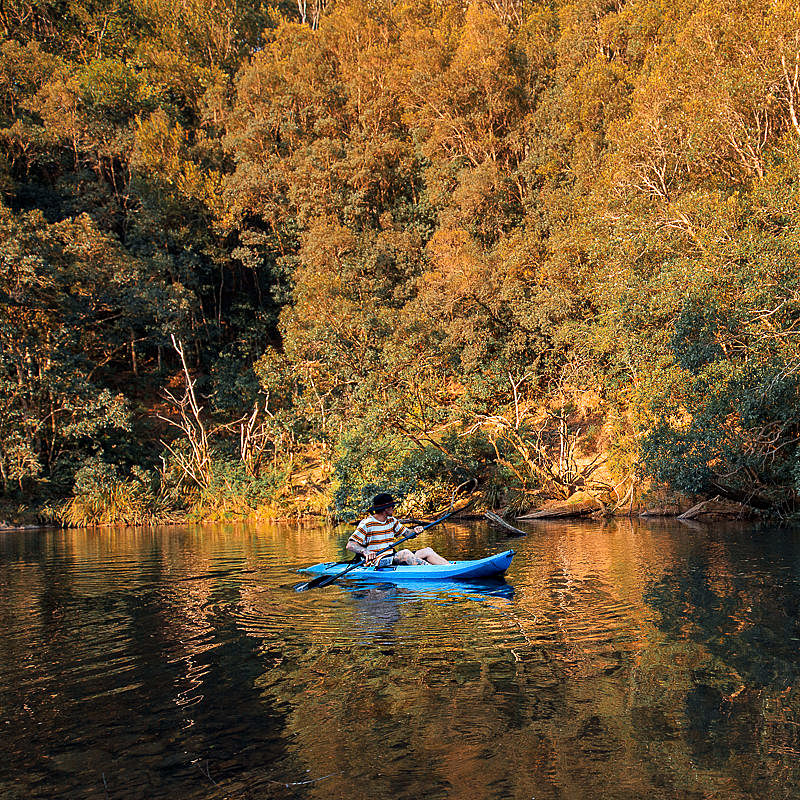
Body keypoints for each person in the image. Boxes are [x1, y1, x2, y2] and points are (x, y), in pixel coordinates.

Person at [346, 493, 449, 567]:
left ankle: (449, 567)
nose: (394, 508)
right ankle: (434, 571)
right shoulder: (367, 524)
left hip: (391, 556)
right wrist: (365, 551)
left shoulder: (391, 521)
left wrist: (415, 530)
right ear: (385, 509)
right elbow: (350, 545)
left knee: (427, 551)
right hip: (376, 561)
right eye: (392, 506)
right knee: (405, 553)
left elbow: (408, 533)